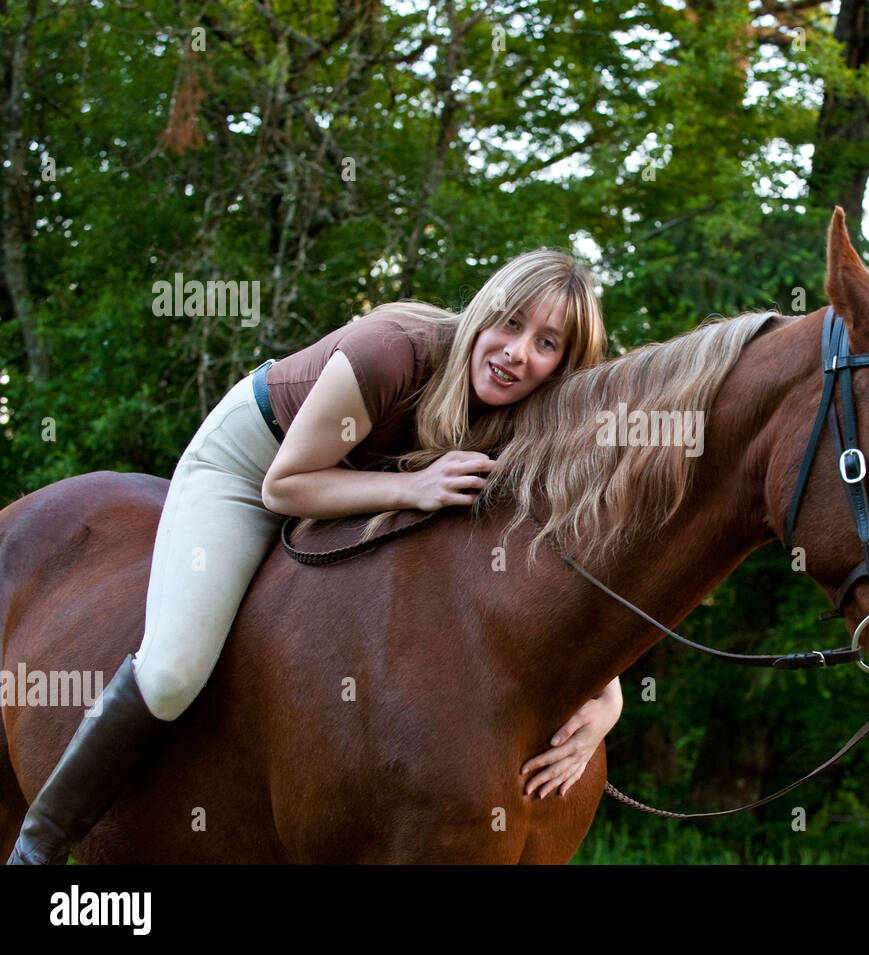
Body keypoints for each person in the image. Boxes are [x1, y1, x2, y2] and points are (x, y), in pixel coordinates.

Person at [7, 249, 616, 865]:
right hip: (256, 468)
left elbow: (557, 561)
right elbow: (285, 486)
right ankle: (35, 851)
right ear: (484, 313)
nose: (517, 352)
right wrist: (413, 488)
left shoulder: (528, 419)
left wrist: (607, 703)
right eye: (510, 322)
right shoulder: (393, 350)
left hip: (355, 485)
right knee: (171, 675)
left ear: (563, 366)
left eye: (547, 343)